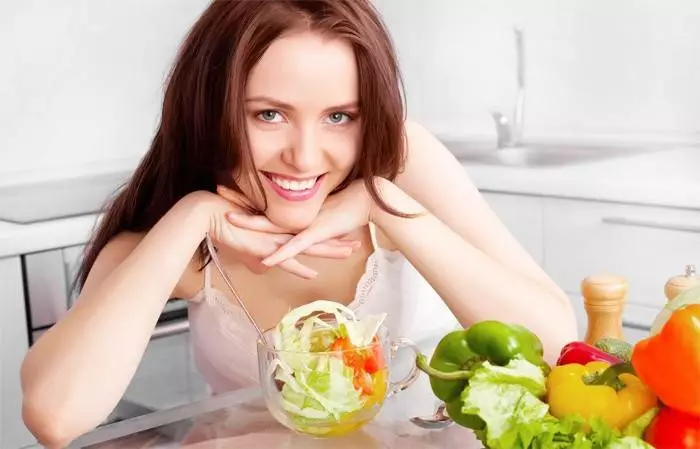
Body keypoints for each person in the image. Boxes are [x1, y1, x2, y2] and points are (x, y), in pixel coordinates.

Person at [20, 0, 578, 447]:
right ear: (208, 112)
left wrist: (387, 206)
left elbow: (556, 349)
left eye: (339, 117)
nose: (306, 157)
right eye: (269, 114)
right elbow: (54, 417)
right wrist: (192, 217)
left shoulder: (400, 159)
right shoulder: (184, 235)